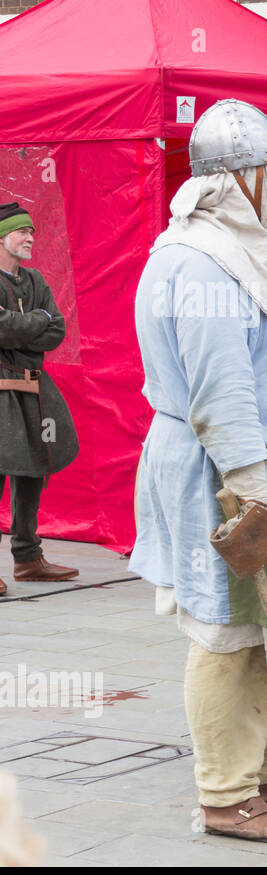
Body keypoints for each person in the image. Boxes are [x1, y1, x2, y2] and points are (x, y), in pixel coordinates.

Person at [131, 100, 267, 843]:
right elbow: (219, 388)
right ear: (239, 179)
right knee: (229, 634)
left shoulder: (229, 251)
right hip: (225, 474)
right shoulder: (196, 261)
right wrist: (251, 492)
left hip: (262, 469)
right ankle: (225, 796)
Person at [0, 202, 79, 595]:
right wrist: (35, 322)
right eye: (22, 232)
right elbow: (3, 330)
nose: (30, 237)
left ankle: (28, 559)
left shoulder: (35, 281)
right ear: (2, 237)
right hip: (0, 392)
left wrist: (21, 328)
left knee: (34, 468)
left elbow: (57, 330)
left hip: (33, 387)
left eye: (32, 231)